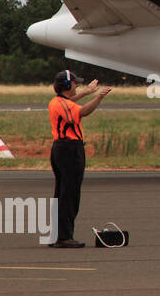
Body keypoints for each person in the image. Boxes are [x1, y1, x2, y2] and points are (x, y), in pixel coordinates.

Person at [46, 70, 111, 248]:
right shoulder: (63, 105)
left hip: (60, 149)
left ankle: (56, 235)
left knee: (61, 194)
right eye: (75, 83)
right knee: (70, 195)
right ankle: (64, 237)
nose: (77, 86)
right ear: (67, 85)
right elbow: (83, 112)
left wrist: (88, 93)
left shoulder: (57, 101)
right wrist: (98, 98)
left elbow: (71, 103)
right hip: (70, 150)